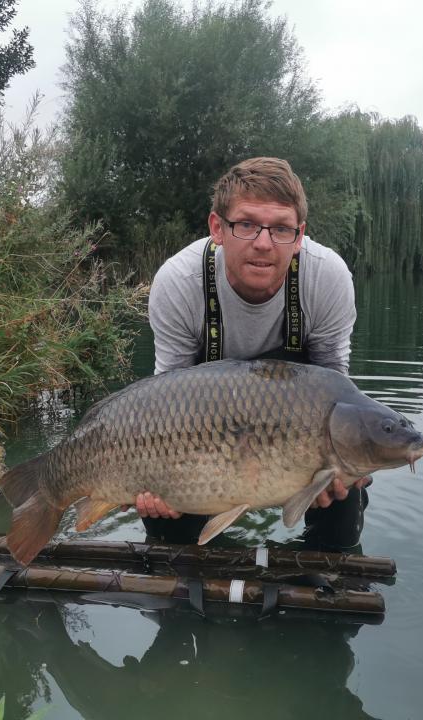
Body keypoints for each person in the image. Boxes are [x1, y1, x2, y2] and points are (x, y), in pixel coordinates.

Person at [133, 156, 369, 550]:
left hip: (303, 433)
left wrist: (338, 471)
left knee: (343, 512)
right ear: (217, 228)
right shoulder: (178, 281)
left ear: (298, 236)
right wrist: (162, 479)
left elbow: (334, 390)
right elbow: (165, 401)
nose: (263, 242)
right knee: (167, 529)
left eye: (280, 229)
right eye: (246, 224)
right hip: (197, 435)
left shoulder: (328, 277)